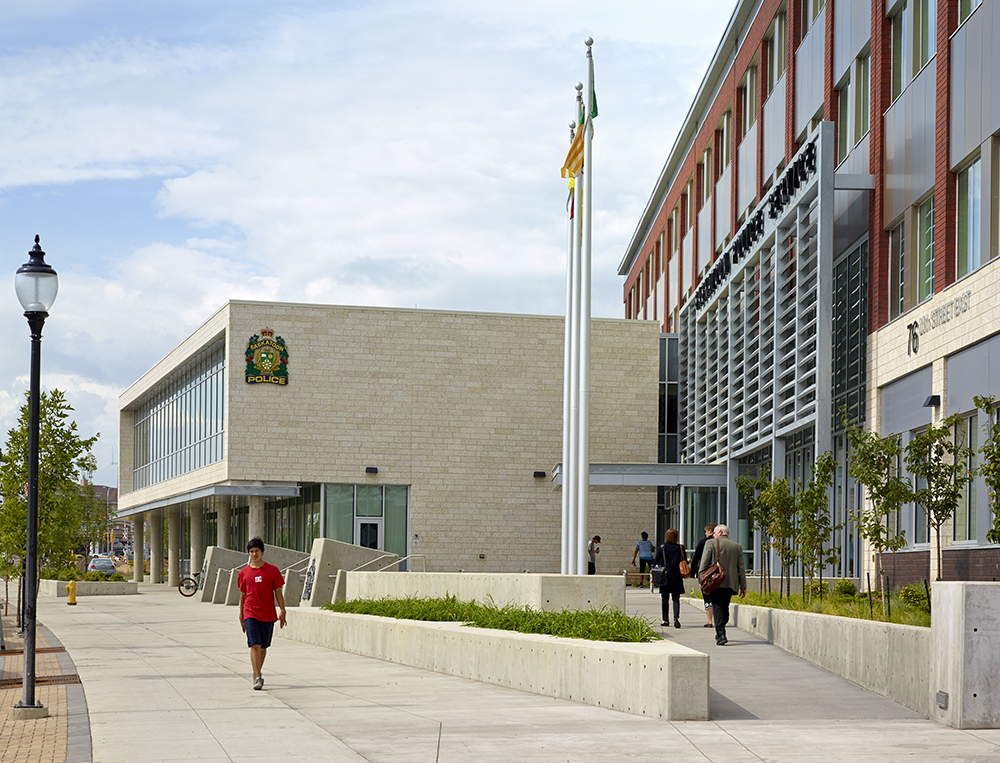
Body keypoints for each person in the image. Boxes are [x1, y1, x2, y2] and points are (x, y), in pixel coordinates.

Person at [238, 537, 287, 690]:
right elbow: (243, 595)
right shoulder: (244, 572)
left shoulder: (272, 570)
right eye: (251, 552)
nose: (254, 554)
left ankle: (256, 672)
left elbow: (278, 591)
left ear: (262, 552)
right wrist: (241, 615)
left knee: (263, 646)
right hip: (250, 611)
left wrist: (283, 609)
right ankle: (257, 676)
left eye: (256, 551)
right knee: (254, 644)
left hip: (267, 612)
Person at [698, 524, 746, 646]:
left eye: (714, 533)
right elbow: (741, 568)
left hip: (716, 581)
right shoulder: (737, 546)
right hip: (731, 583)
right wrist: (743, 586)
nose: (713, 535)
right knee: (725, 607)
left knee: (718, 607)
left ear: (719, 532)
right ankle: (721, 630)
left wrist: (701, 579)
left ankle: (721, 635)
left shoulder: (711, 544)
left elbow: (704, 563)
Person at [652, 529, 687, 628]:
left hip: (665, 576)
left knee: (664, 599)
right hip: (677, 576)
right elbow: (684, 561)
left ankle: (665, 620)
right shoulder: (680, 547)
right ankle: (676, 617)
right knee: (676, 598)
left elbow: (655, 563)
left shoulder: (662, 548)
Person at [689, 523, 718, 628]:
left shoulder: (703, 542)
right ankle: (719, 620)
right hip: (718, 573)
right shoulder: (719, 542)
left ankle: (710, 621)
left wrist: (693, 573)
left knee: (707, 596)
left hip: (706, 573)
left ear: (710, 531)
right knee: (718, 597)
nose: (705, 534)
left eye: (706, 531)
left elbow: (696, 558)